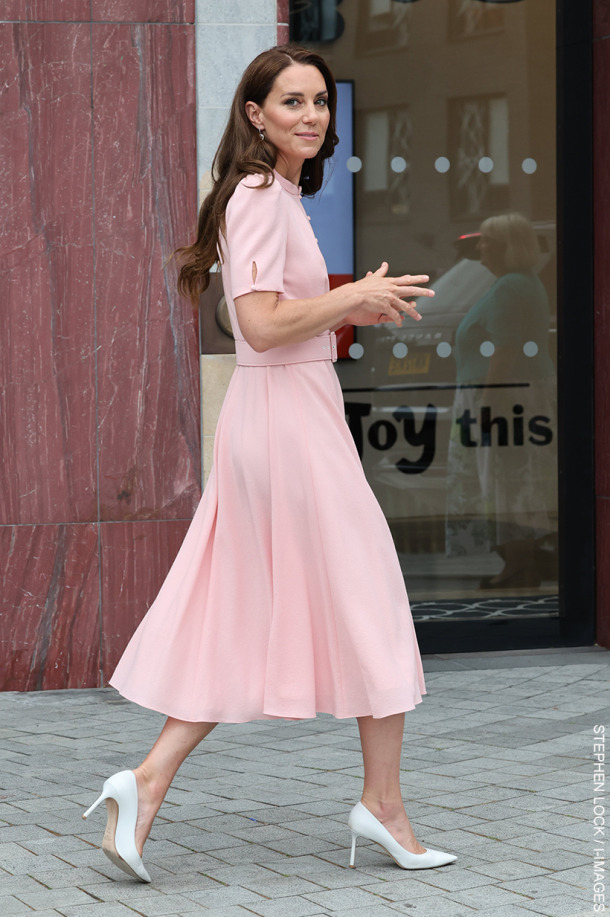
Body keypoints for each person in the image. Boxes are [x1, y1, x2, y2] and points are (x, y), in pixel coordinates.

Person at [82, 45, 456, 882]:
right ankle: (383, 805)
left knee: (247, 609)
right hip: (287, 422)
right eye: (292, 101)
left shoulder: (277, 193)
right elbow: (256, 324)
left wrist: (350, 307)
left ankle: (145, 782)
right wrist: (349, 297)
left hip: (286, 412)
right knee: (370, 596)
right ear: (255, 114)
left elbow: (284, 317)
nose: (312, 115)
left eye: (320, 101)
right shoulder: (256, 194)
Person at [445, 213, 557, 588]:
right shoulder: (517, 283)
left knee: (504, 480)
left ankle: (519, 565)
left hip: (502, 396)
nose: (480, 246)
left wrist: (488, 406)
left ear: (508, 246)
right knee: (509, 480)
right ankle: (521, 562)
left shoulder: (511, 286)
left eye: (487, 240)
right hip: (507, 394)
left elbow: (505, 351)